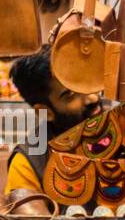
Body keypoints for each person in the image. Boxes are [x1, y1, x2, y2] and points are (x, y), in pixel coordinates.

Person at [5, 48, 102, 195]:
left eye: (85, 81)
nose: (93, 98)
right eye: (70, 94)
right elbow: (26, 217)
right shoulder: (28, 164)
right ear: (46, 112)